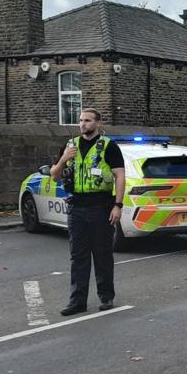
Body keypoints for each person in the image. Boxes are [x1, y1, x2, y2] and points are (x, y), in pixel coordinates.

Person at [50, 108, 125, 316]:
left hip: (101, 206)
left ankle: (106, 297)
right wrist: (64, 158)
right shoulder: (70, 145)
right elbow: (54, 176)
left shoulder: (108, 146)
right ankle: (77, 301)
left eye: (88, 120)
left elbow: (120, 175)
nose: (83, 124)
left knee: (102, 255)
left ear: (98, 123)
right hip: (76, 207)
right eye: (81, 120)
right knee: (78, 257)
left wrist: (118, 205)